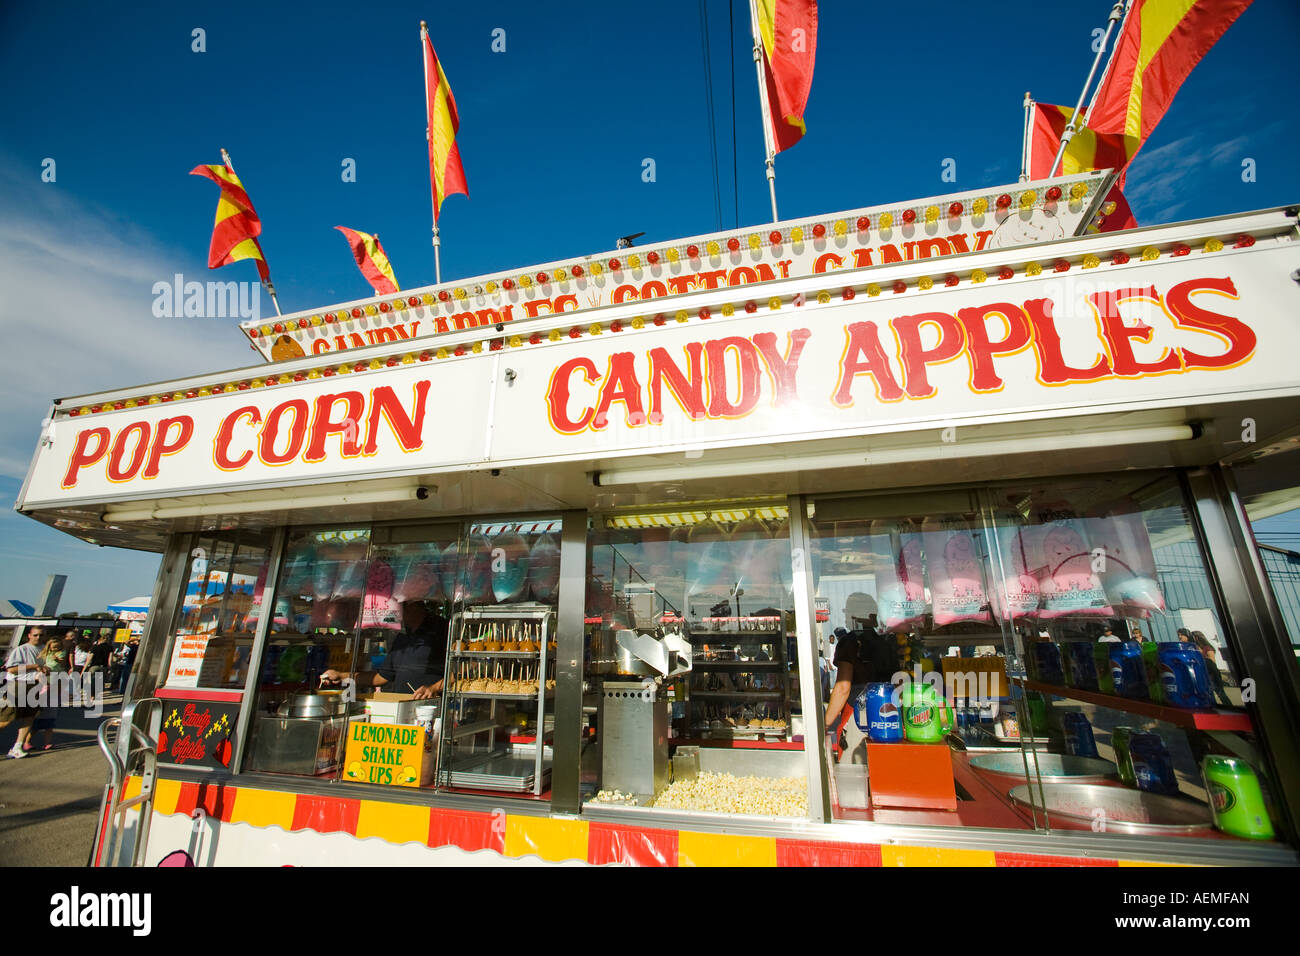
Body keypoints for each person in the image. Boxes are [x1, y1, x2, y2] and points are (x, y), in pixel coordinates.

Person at [319, 600, 447, 699]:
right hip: (402, 705)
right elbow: (382, 677)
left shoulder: (441, 629)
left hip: (430, 707)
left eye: (397, 606)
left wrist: (433, 688)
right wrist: (341, 676)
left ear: (412, 605)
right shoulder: (402, 636)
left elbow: (460, 672)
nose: (393, 611)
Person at [5, 626, 48, 758]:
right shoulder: (22, 649)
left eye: (41, 635)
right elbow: (11, 669)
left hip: (35, 685)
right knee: (6, 718)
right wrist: (34, 666)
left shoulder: (44, 649)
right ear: (29, 635)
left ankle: (17, 747)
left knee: (30, 717)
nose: (38, 637)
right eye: (35, 635)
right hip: (19, 684)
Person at [1191, 630, 1233, 707]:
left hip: (1211, 674)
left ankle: (1229, 706)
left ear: (1196, 638)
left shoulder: (1207, 648)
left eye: (1192, 637)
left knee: (1220, 693)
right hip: (1204, 673)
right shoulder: (1197, 649)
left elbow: (1212, 662)